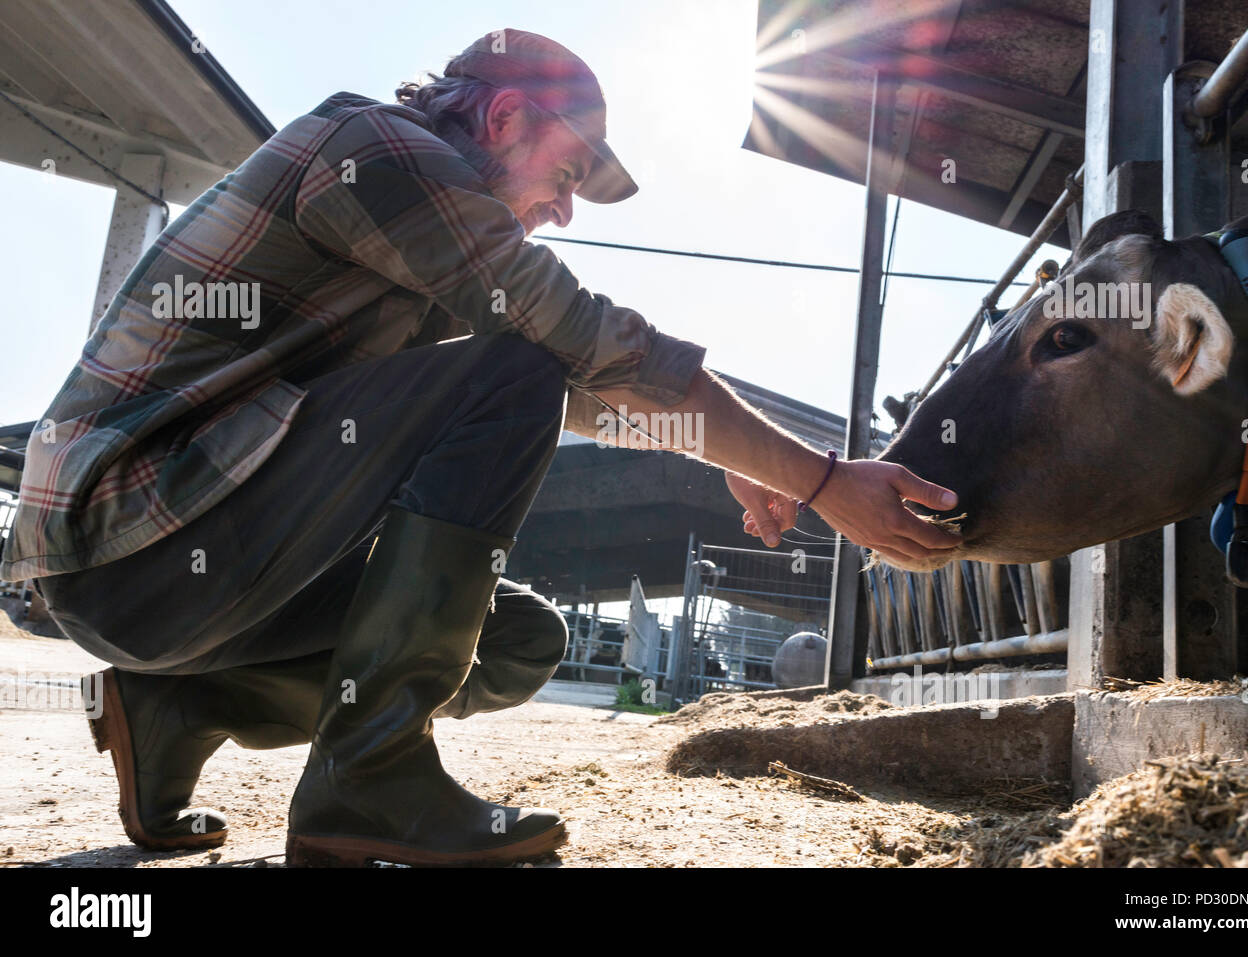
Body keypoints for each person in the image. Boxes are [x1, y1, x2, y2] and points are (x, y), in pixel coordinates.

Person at [0, 29, 960, 866]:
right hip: (125, 527)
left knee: (516, 640)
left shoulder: (421, 264)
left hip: (181, 564)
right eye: (570, 173)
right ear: (504, 117)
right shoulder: (369, 149)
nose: (565, 209)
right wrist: (826, 476)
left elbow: (589, 398)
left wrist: (726, 453)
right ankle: (366, 775)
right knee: (519, 370)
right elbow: (578, 340)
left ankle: (180, 708)